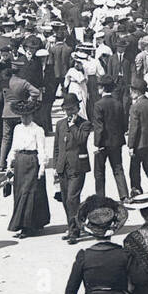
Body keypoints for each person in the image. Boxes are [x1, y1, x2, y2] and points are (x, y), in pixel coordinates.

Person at [5, 96, 50, 238]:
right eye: (22, 116)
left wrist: (42, 167)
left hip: (32, 162)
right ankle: (23, 224)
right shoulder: (17, 128)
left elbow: (41, 149)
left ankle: (28, 226)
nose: (24, 119)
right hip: (20, 162)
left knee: (29, 193)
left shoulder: (38, 130)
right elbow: (13, 147)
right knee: (19, 193)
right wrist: (9, 163)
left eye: (27, 116)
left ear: (32, 115)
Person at [53, 93, 93, 244]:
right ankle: (73, 227)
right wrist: (56, 167)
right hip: (63, 167)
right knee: (65, 200)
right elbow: (57, 147)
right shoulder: (60, 124)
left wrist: (73, 125)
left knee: (72, 199)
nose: (70, 112)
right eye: (67, 109)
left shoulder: (85, 124)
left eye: (73, 109)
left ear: (78, 107)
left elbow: (81, 140)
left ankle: (74, 232)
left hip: (77, 167)